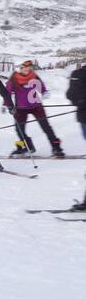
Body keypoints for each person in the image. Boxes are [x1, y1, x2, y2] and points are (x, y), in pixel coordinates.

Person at [5, 60, 64, 158]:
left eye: (29, 67)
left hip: (36, 106)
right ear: (20, 68)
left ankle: (56, 147)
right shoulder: (14, 79)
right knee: (19, 130)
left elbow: (41, 86)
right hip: (20, 108)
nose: (28, 69)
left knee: (46, 127)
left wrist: (44, 92)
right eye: (25, 67)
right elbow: (7, 93)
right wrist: (6, 105)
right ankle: (27, 146)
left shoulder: (33, 75)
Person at [67, 61, 86, 211]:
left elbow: (71, 95)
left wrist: (80, 101)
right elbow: (72, 95)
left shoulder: (77, 74)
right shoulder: (78, 75)